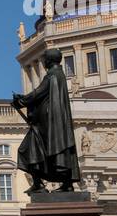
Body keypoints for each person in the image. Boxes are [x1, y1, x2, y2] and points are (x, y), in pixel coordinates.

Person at [12, 48, 81, 192]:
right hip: (49, 123)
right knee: (57, 153)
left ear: (48, 60)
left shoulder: (52, 76)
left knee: (27, 150)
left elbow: (38, 93)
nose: (43, 63)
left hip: (47, 125)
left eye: (44, 60)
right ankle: (63, 184)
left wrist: (22, 99)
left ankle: (39, 184)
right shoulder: (59, 75)